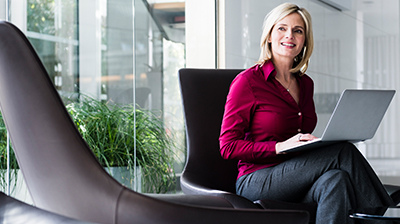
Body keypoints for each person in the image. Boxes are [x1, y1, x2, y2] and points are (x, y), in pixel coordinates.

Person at [219, 3, 395, 224]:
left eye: (298, 30)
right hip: (257, 180)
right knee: (343, 152)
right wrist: (279, 147)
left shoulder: (306, 84)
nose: (289, 35)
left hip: (297, 176)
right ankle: (384, 216)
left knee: (336, 179)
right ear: (270, 36)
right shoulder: (248, 82)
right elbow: (227, 146)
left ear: (304, 40)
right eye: (282, 28)